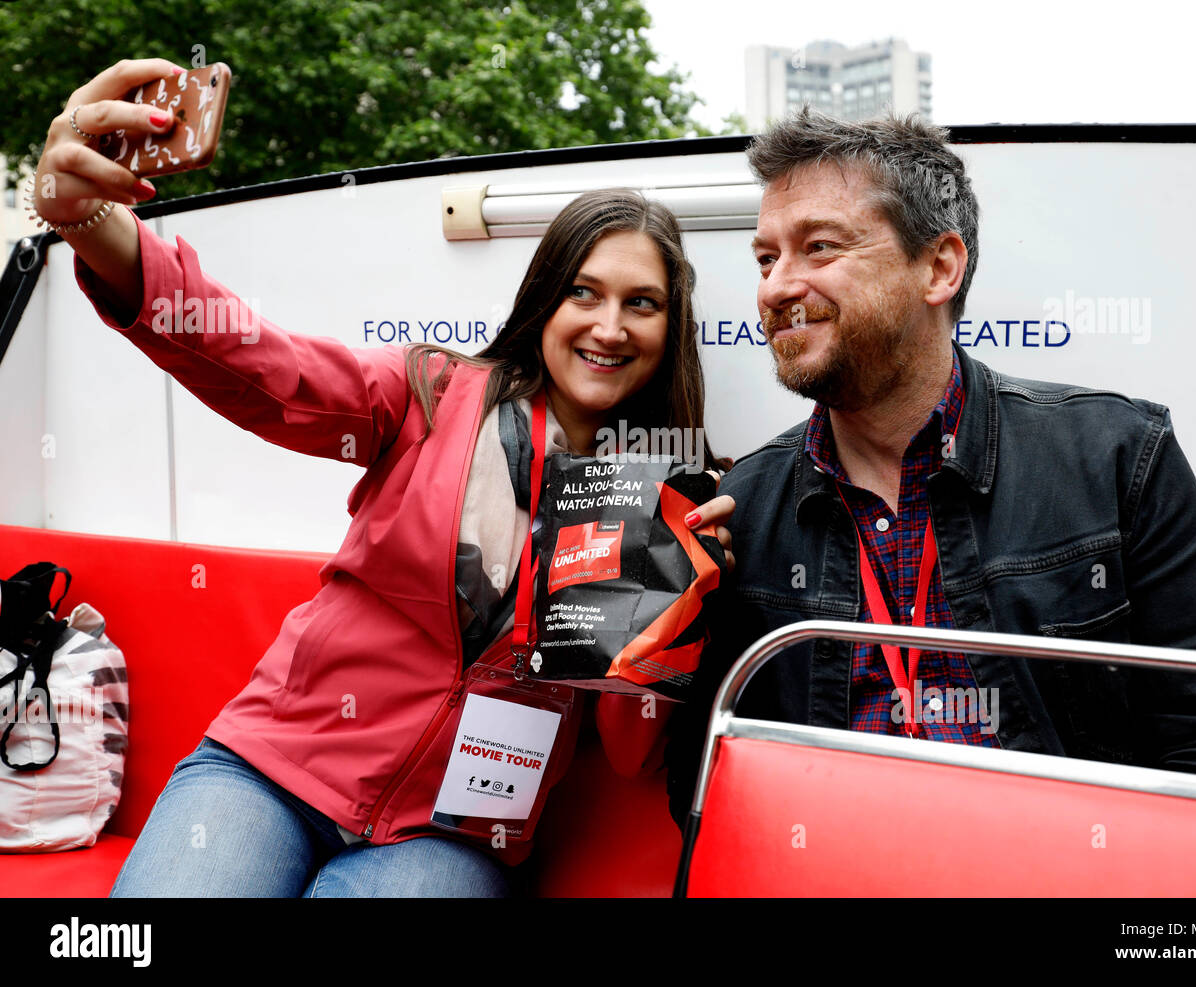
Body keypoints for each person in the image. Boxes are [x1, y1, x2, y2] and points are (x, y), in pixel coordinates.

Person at [32, 58, 734, 897]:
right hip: (271, 770)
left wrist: (677, 608)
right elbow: (262, 365)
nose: (609, 327)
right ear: (545, 299)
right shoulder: (431, 392)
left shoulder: (668, 494)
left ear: (669, 325)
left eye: (641, 302)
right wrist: (90, 222)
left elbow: (625, 751)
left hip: (452, 836)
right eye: (584, 292)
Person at [666, 107, 1196, 826]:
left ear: (939, 267)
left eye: (819, 248)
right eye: (765, 259)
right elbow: (703, 781)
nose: (776, 287)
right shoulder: (742, 508)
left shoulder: (1118, 457)